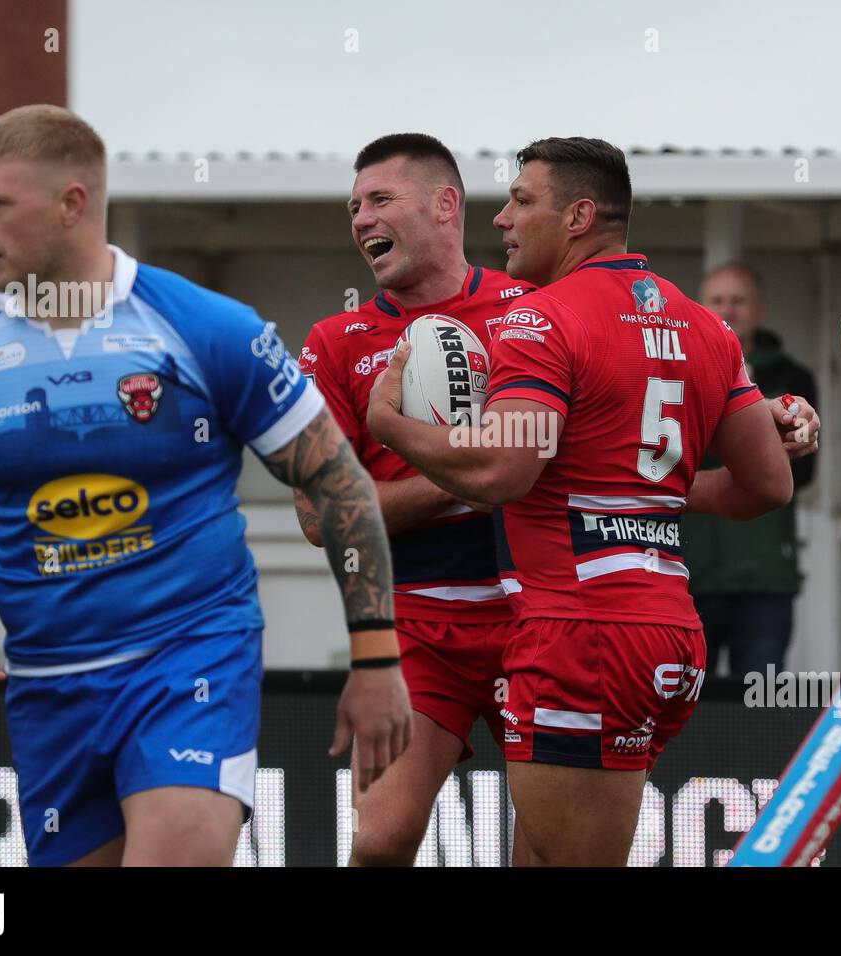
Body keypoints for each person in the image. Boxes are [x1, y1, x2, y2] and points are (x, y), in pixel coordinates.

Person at [0, 105, 411, 867]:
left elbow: (340, 486)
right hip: (50, 692)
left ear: (72, 204)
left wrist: (375, 658)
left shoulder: (207, 329)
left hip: (189, 666)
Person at [367, 137, 817, 865]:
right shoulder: (706, 326)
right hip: (669, 631)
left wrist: (392, 426)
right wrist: (642, 500)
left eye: (520, 202)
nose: (502, 222)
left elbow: (504, 475)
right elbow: (769, 484)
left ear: (578, 217)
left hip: (579, 636)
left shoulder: (538, 321)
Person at [293, 133, 534, 865]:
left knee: (555, 850)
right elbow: (317, 519)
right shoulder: (336, 342)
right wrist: (473, 477)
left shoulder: (536, 308)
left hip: (539, 616)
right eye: (354, 206)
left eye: (380, 200)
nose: (362, 218)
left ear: (445, 205)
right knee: (378, 840)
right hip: (418, 626)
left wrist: (759, 413)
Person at [684, 263, 818, 677]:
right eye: (718, 300)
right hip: (692, 572)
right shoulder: (679, 371)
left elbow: (806, 470)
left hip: (764, 577)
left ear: (758, 308)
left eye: (738, 301)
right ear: (699, 309)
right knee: (684, 703)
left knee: (759, 706)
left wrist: (752, 402)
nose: (729, 310)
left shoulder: (792, 377)